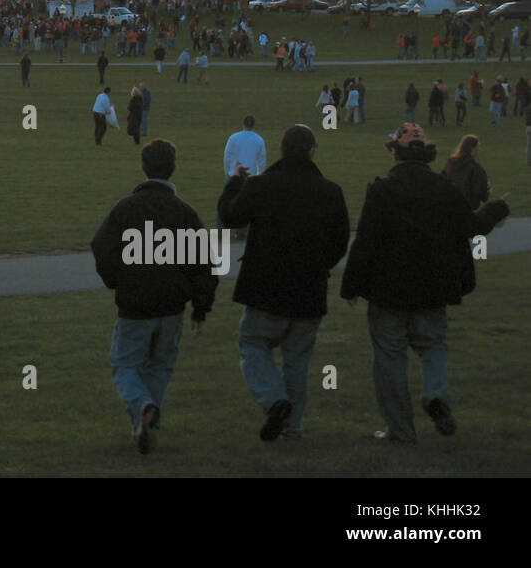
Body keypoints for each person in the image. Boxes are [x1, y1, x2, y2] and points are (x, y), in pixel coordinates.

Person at [340, 123, 510, 443]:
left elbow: (364, 242)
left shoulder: (381, 190)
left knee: (389, 359)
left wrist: (351, 287)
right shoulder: (445, 189)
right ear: (428, 154)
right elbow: (472, 226)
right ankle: (435, 396)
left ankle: (401, 430)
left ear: (396, 153)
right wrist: (497, 207)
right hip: (434, 288)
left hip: (387, 291)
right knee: (433, 347)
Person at [216, 125, 350, 441]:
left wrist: (235, 181)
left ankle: (274, 400)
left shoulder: (261, 185)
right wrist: (319, 266)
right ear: (312, 150)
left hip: (265, 288)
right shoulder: (331, 191)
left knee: (252, 344)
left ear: (281, 148)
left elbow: (231, 217)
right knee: (298, 361)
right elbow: (339, 243)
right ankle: (293, 427)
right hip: (309, 289)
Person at [90, 139, 217, 454]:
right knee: (160, 367)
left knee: (124, 365)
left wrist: (116, 281)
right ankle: (145, 423)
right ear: (174, 169)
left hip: (135, 305)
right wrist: (201, 309)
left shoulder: (125, 208)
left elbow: (101, 247)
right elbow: (205, 265)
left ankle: (142, 407)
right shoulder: (186, 213)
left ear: (143, 167)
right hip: (172, 306)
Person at [441, 135, 490, 211]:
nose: (479, 149)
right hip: (468, 209)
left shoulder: (450, 163)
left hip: (448, 206)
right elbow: (481, 193)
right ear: (472, 149)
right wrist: (487, 190)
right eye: (478, 147)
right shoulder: (476, 168)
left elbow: (442, 182)